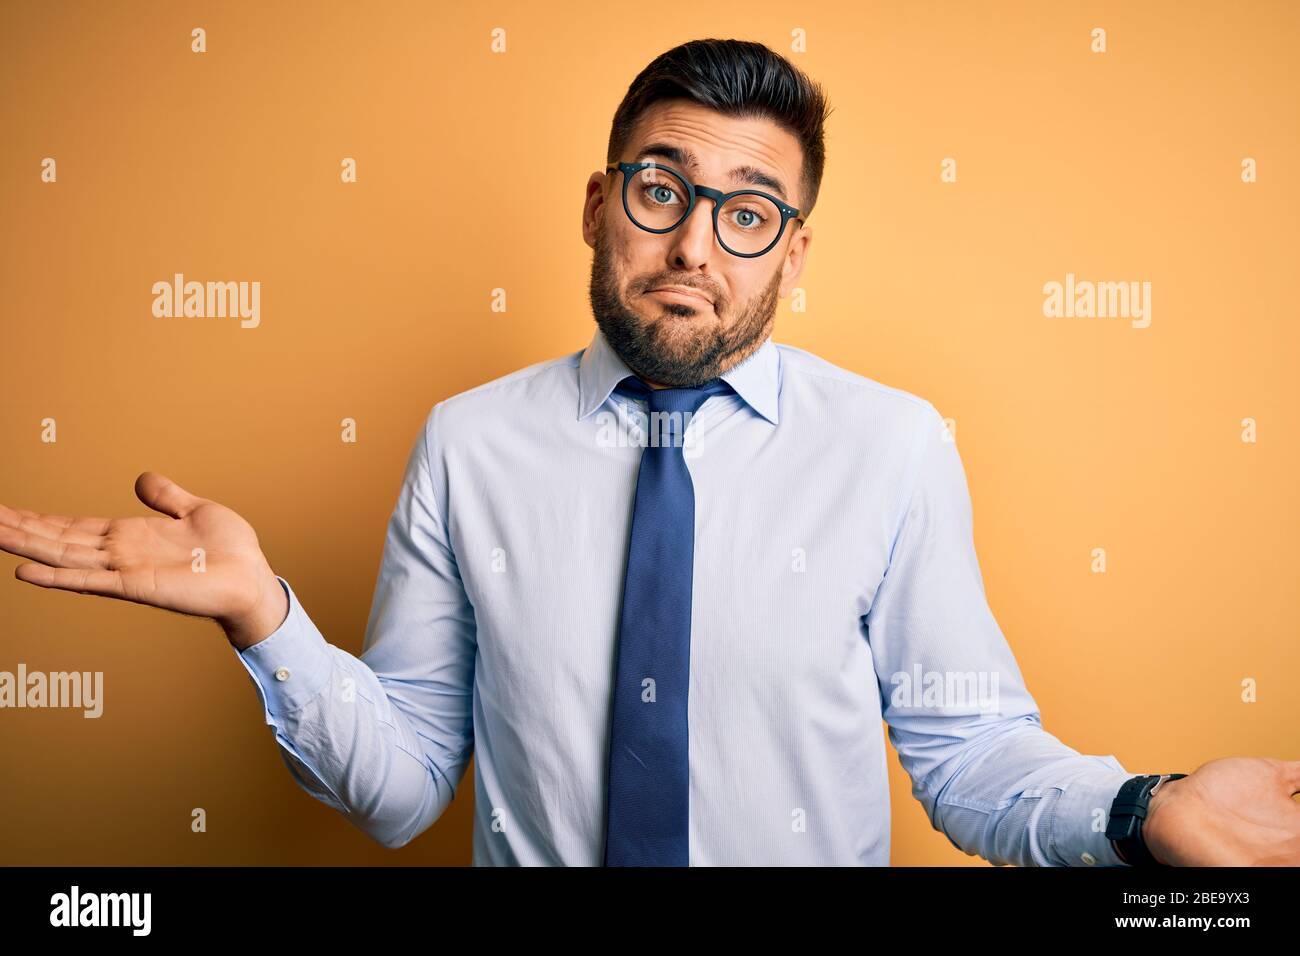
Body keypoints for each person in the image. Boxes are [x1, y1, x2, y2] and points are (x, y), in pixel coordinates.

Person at [3, 38, 1297, 867]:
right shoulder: (469, 445)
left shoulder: (892, 448)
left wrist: (1144, 812)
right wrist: (266, 619)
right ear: (599, 204)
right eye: (660, 190)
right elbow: (398, 792)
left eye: (748, 216)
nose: (693, 249)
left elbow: (969, 761)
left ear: (793, 252)